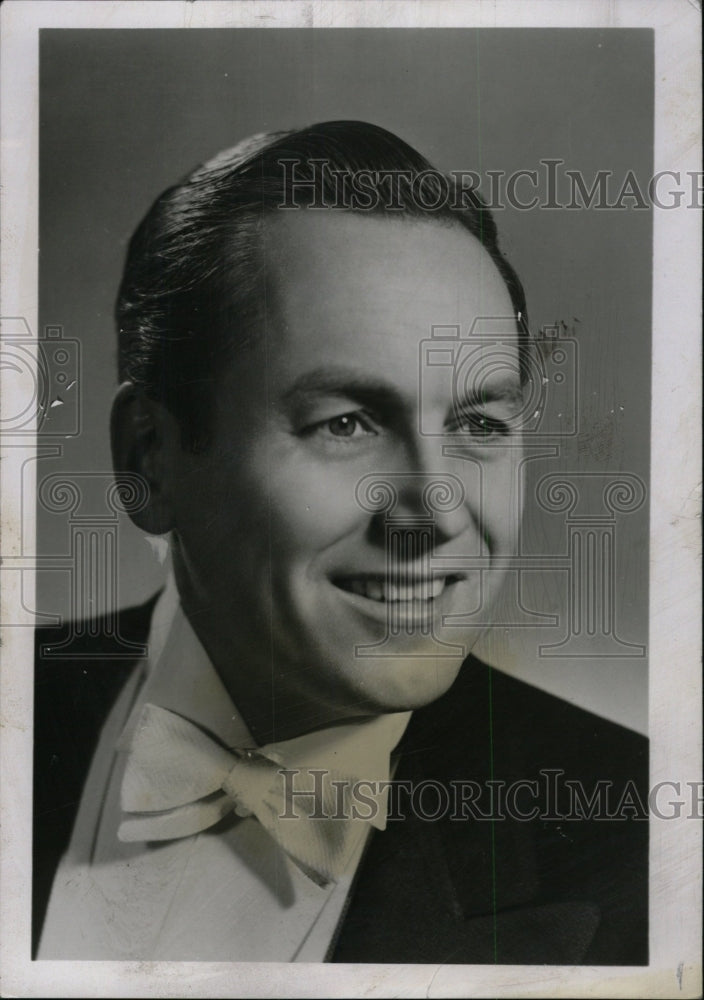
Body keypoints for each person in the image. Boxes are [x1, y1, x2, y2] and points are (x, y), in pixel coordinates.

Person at [33, 121, 647, 963]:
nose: (433, 510)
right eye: (347, 423)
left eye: (477, 422)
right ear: (150, 458)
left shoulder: (644, 842)